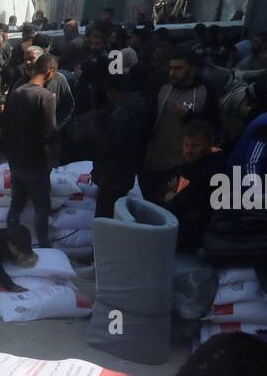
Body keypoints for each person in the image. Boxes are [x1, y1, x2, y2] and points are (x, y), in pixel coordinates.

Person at [143, 49, 221, 200]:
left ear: (191, 69)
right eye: (171, 68)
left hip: (182, 164)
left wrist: (190, 117)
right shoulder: (162, 87)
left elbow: (213, 125)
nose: (173, 73)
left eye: (179, 68)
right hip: (154, 160)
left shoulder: (204, 91)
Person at [2, 56, 58, 247]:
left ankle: (10, 241)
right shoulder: (46, 97)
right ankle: (44, 246)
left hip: (16, 160)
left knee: (16, 204)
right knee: (42, 206)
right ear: (50, 72)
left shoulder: (17, 92)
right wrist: (52, 161)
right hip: (36, 162)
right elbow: (49, 135)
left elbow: (6, 126)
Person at [92, 70, 149, 219]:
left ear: (111, 91)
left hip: (113, 173)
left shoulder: (121, 113)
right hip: (126, 172)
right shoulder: (138, 106)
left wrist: (97, 129)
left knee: (104, 216)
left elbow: (108, 143)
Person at [162, 121, 225, 251]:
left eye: (195, 146)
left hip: (195, 238)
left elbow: (185, 201)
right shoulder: (189, 164)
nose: (189, 150)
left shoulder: (212, 169)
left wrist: (172, 197)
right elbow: (163, 187)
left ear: (208, 144)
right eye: (186, 145)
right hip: (179, 229)